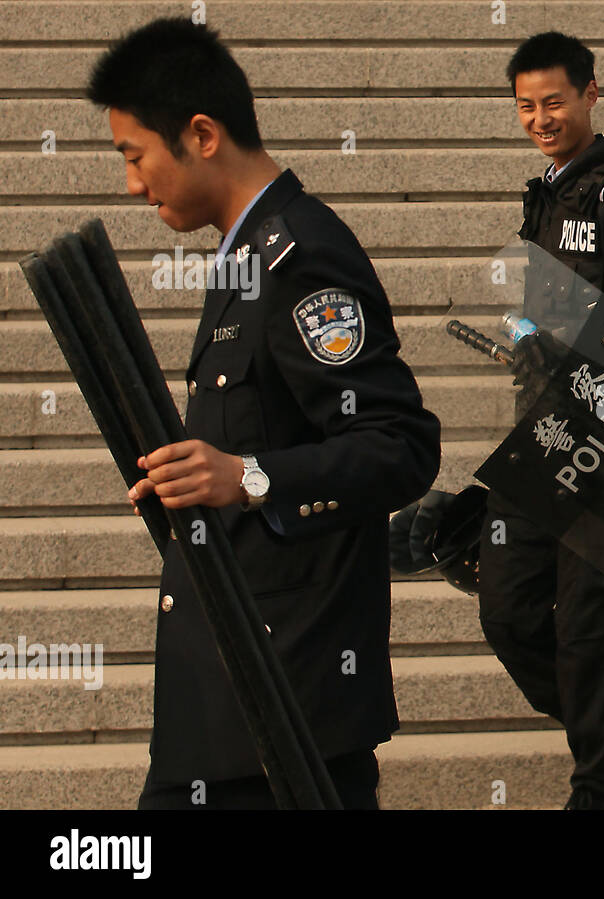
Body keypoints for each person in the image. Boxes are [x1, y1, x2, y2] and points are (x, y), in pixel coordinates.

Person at [89, 17, 442, 809]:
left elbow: (400, 446)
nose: (133, 184)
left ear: (202, 134)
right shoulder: (246, 259)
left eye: (134, 155)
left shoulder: (300, 255)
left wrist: (245, 476)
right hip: (234, 702)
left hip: (288, 712)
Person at [474, 31, 604, 810]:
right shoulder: (546, 195)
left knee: (586, 626)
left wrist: (562, 344)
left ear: (592, 94)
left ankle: (599, 777)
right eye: (526, 105)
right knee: (507, 610)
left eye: (554, 101)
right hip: (541, 433)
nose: (540, 117)